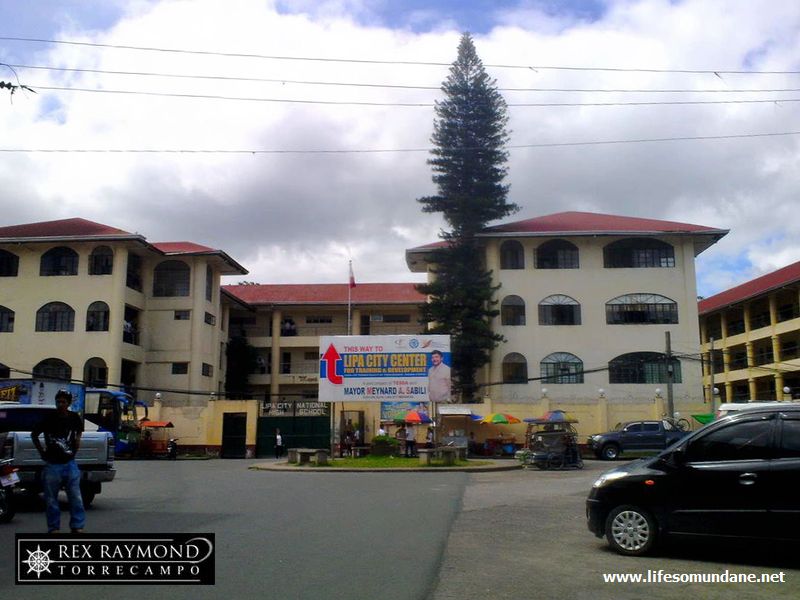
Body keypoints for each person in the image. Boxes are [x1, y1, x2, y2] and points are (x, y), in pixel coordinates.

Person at [31, 389, 85, 533]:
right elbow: (34, 434)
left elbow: (78, 435)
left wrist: (75, 450)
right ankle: (54, 528)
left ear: (68, 403)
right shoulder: (49, 418)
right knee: (51, 500)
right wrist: (42, 452)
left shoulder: (74, 418)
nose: (60, 404)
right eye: (58, 401)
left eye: (63, 402)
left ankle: (77, 526)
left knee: (75, 497)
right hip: (52, 465)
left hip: (70, 463)